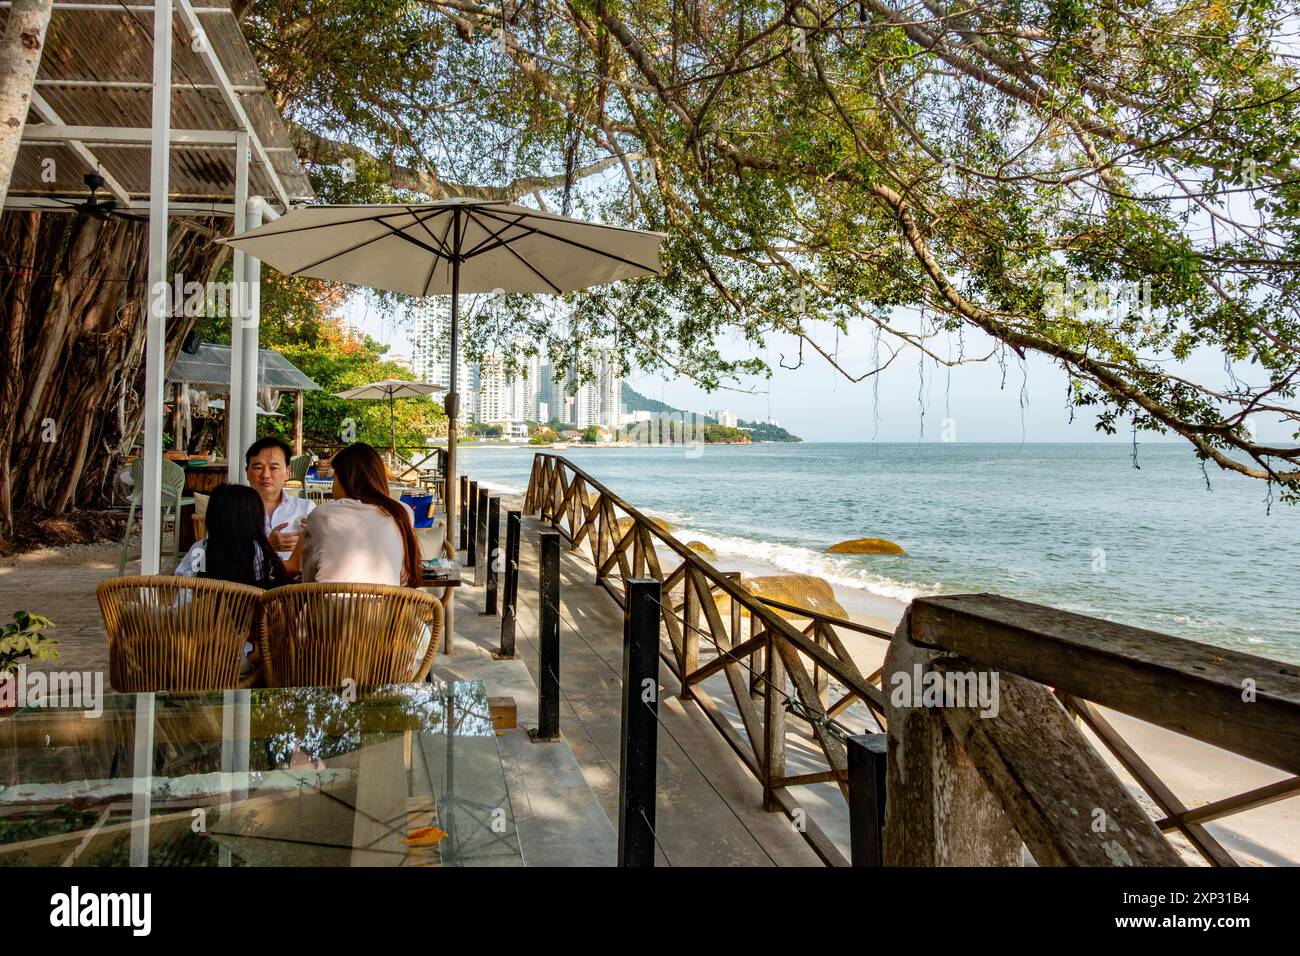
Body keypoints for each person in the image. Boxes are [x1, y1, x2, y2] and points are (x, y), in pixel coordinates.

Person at [292, 442, 421, 586]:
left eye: (334, 478)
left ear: (346, 479)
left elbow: (308, 579)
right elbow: (404, 576)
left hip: (329, 608)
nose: (333, 486)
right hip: (385, 607)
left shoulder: (322, 515)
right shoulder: (402, 512)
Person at [175, 483, 288, 587]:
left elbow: (184, 591)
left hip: (206, 607)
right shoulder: (260, 552)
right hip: (251, 608)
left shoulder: (201, 549)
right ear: (253, 519)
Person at [245, 435, 315, 561]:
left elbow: (324, 551)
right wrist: (267, 546)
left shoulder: (306, 508)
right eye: (258, 468)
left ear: (288, 472)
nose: (266, 475)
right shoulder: (231, 510)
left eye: (274, 468)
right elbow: (216, 554)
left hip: (299, 580)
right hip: (244, 580)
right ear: (247, 472)